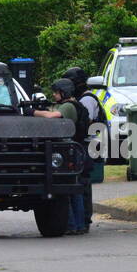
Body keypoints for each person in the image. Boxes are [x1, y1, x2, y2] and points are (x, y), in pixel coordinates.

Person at [34, 78, 88, 234]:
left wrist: (33, 112)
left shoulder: (68, 106)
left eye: (56, 92)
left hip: (70, 151)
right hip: (76, 149)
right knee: (74, 191)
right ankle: (79, 225)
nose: (54, 95)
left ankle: (72, 225)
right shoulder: (77, 104)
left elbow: (52, 116)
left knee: (66, 191)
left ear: (64, 92)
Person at [64, 67, 101, 231]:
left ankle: (84, 219)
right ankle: (83, 219)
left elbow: (88, 123)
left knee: (83, 182)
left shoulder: (87, 99)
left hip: (87, 144)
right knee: (82, 181)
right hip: (86, 143)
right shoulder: (83, 98)